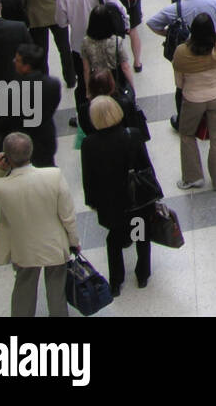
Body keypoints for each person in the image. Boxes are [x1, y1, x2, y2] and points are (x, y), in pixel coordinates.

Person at [0, 132, 81, 318]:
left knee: (24, 289)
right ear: (31, 151)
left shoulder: (0, 187)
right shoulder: (53, 176)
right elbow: (67, 216)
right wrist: (74, 241)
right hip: (54, 246)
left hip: (23, 249)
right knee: (57, 292)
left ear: (6, 157)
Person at [80, 94, 155, 295]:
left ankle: (116, 281)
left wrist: (92, 201)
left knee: (113, 240)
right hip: (135, 199)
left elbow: (89, 177)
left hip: (110, 202)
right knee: (140, 234)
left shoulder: (88, 144)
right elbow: (146, 166)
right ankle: (142, 274)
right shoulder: (133, 135)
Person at [172, 13, 216, 191]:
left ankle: (193, 177)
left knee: (186, 135)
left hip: (193, 98)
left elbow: (178, 83)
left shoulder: (181, 52)